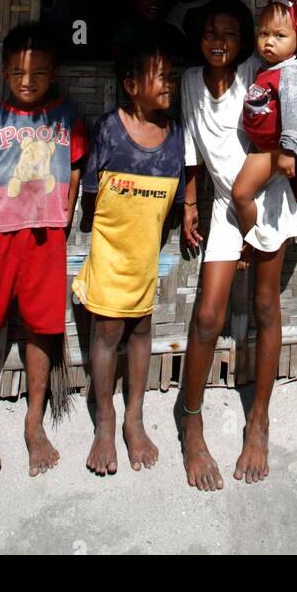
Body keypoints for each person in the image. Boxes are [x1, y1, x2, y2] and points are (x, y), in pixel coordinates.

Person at [179, 2, 297, 490]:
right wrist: (190, 199)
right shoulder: (191, 80)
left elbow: (294, 83)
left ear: (244, 41)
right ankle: (192, 425)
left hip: (266, 200)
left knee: (264, 306)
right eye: (211, 31)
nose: (219, 41)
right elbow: (192, 141)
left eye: (230, 34)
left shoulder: (258, 71)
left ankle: (259, 420)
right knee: (208, 316)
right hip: (225, 208)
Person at [0, 21, 86, 477]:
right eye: (17, 73)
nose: (26, 81)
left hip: (45, 235)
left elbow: (74, 165)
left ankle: (34, 422)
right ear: (4, 72)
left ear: (53, 74)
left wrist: (67, 202)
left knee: (40, 326)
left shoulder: (66, 116)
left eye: (36, 73)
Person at [72, 33, 185, 475]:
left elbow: (174, 207)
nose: (169, 85)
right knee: (107, 333)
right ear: (131, 86)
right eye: (160, 78)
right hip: (110, 254)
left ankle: (134, 417)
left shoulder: (174, 137)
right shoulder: (108, 129)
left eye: (171, 78)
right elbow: (90, 197)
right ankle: (106, 420)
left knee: (141, 331)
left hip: (144, 256)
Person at [232, 0, 297, 241]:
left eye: (280, 35)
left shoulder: (288, 73)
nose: (269, 41)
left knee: (241, 194)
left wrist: (288, 151)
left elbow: (294, 112)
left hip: (274, 151)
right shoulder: (267, 69)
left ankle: (249, 240)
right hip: (261, 149)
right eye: (263, 33)